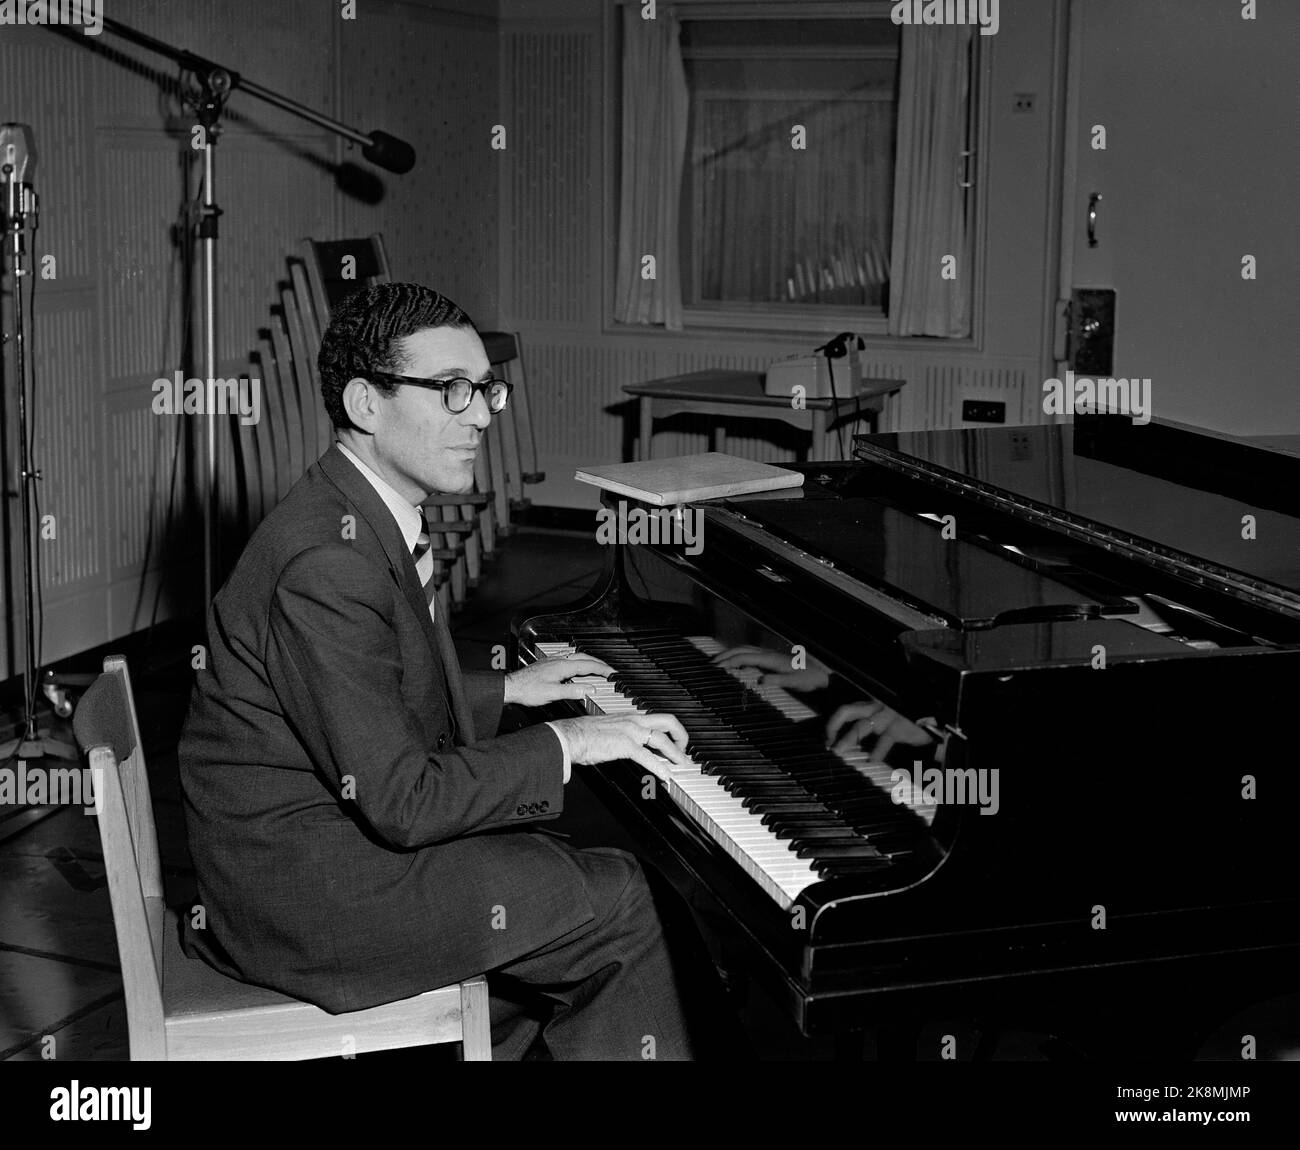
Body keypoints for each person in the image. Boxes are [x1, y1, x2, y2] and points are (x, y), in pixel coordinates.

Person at [178, 282, 703, 1060]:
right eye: (453, 390)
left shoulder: (351, 508)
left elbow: (369, 691)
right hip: (307, 898)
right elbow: (400, 801)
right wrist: (570, 742)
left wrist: (510, 691)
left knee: (564, 878)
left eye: (486, 388)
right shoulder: (328, 561)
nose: (485, 413)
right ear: (366, 402)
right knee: (624, 902)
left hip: (307, 855)